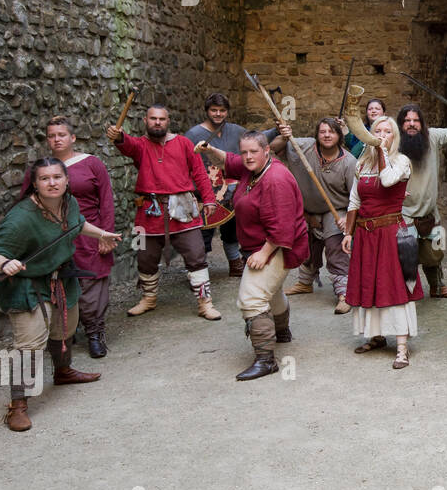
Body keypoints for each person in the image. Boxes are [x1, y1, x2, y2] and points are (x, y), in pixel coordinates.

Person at [0, 157, 121, 431]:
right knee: (30, 344)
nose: (52, 183)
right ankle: (18, 405)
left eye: (57, 177)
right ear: (34, 184)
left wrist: (102, 234)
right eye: (44, 179)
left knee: (65, 328)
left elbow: (77, 224)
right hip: (27, 286)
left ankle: (63, 372)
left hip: (62, 278)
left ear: (66, 179)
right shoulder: (20, 218)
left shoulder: (69, 203)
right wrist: (5, 263)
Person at [196, 133, 308, 380]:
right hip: (259, 245)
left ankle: (266, 361)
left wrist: (264, 253)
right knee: (272, 290)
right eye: (244, 151)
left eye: (253, 152)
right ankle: (281, 331)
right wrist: (210, 150)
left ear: (267, 150)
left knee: (253, 297)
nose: (247, 157)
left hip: (277, 246)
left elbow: (282, 225)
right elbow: (230, 161)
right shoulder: (251, 168)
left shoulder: (276, 179)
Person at [350, 102, 447, 298]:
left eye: (416, 120)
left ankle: (438, 286)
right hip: (402, 213)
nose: (411, 124)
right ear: (400, 125)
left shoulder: (433, 137)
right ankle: (406, 290)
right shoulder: (391, 146)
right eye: (407, 120)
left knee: (435, 252)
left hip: (429, 211)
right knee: (405, 255)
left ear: (422, 123)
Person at [107, 105, 221, 320]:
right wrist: (118, 135)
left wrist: (208, 199)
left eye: (161, 119)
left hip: (183, 210)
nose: (157, 122)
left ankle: (205, 302)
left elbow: (199, 173)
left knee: (197, 255)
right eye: (153, 119)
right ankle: (148, 298)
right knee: (144, 256)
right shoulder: (140, 145)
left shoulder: (184, 143)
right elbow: (125, 144)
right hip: (148, 213)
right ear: (145, 120)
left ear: (168, 121)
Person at [19, 117, 115, 358]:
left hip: (90, 233)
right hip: (54, 235)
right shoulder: (40, 170)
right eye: (51, 135)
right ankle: (64, 334)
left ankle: (94, 332)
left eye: (61, 134)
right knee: (59, 283)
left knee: (93, 284)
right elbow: (24, 203)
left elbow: (106, 200)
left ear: (73, 138)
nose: (56, 139)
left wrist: (106, 235)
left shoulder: (92, 164)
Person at [342, 115, 423, 369]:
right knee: (370, 284)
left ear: (394, 137)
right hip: (366, 234)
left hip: (391, 233)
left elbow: (387, 180)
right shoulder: (361, 163)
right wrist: (348, 232)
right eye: (378, 131)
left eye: (388, 132)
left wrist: (380, 152)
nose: (382, 135)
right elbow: (355, 200)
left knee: (395, 287)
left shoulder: (401, 162)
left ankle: (401, 347)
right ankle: (376, 336)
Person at [184, 93, 277, 277]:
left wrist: (277, 130)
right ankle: (198, 272)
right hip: (204, 192)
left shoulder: (235, 131)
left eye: (222, 110)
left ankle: (235, 263)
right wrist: (190, 192)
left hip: (232, 192)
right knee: (202, 232)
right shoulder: (193, 134)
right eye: (214, 110)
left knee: (232, 230)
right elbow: (184, 164)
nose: (218, 114)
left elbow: (257, 138)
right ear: (207, 111)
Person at [273, 118, 356, 314]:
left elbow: (356, 197)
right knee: (306, 247)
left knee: (336, 248)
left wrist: (349, 220)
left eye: (332, 132)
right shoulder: (302, 147)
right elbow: (272, 148)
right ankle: (304, 282)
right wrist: (284, 136)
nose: (327, 135)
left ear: (339, 136)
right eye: (322, 132)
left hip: (336, 211)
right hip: (305, 209)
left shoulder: (349, 162)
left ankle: (344, 293)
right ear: (317, 135)